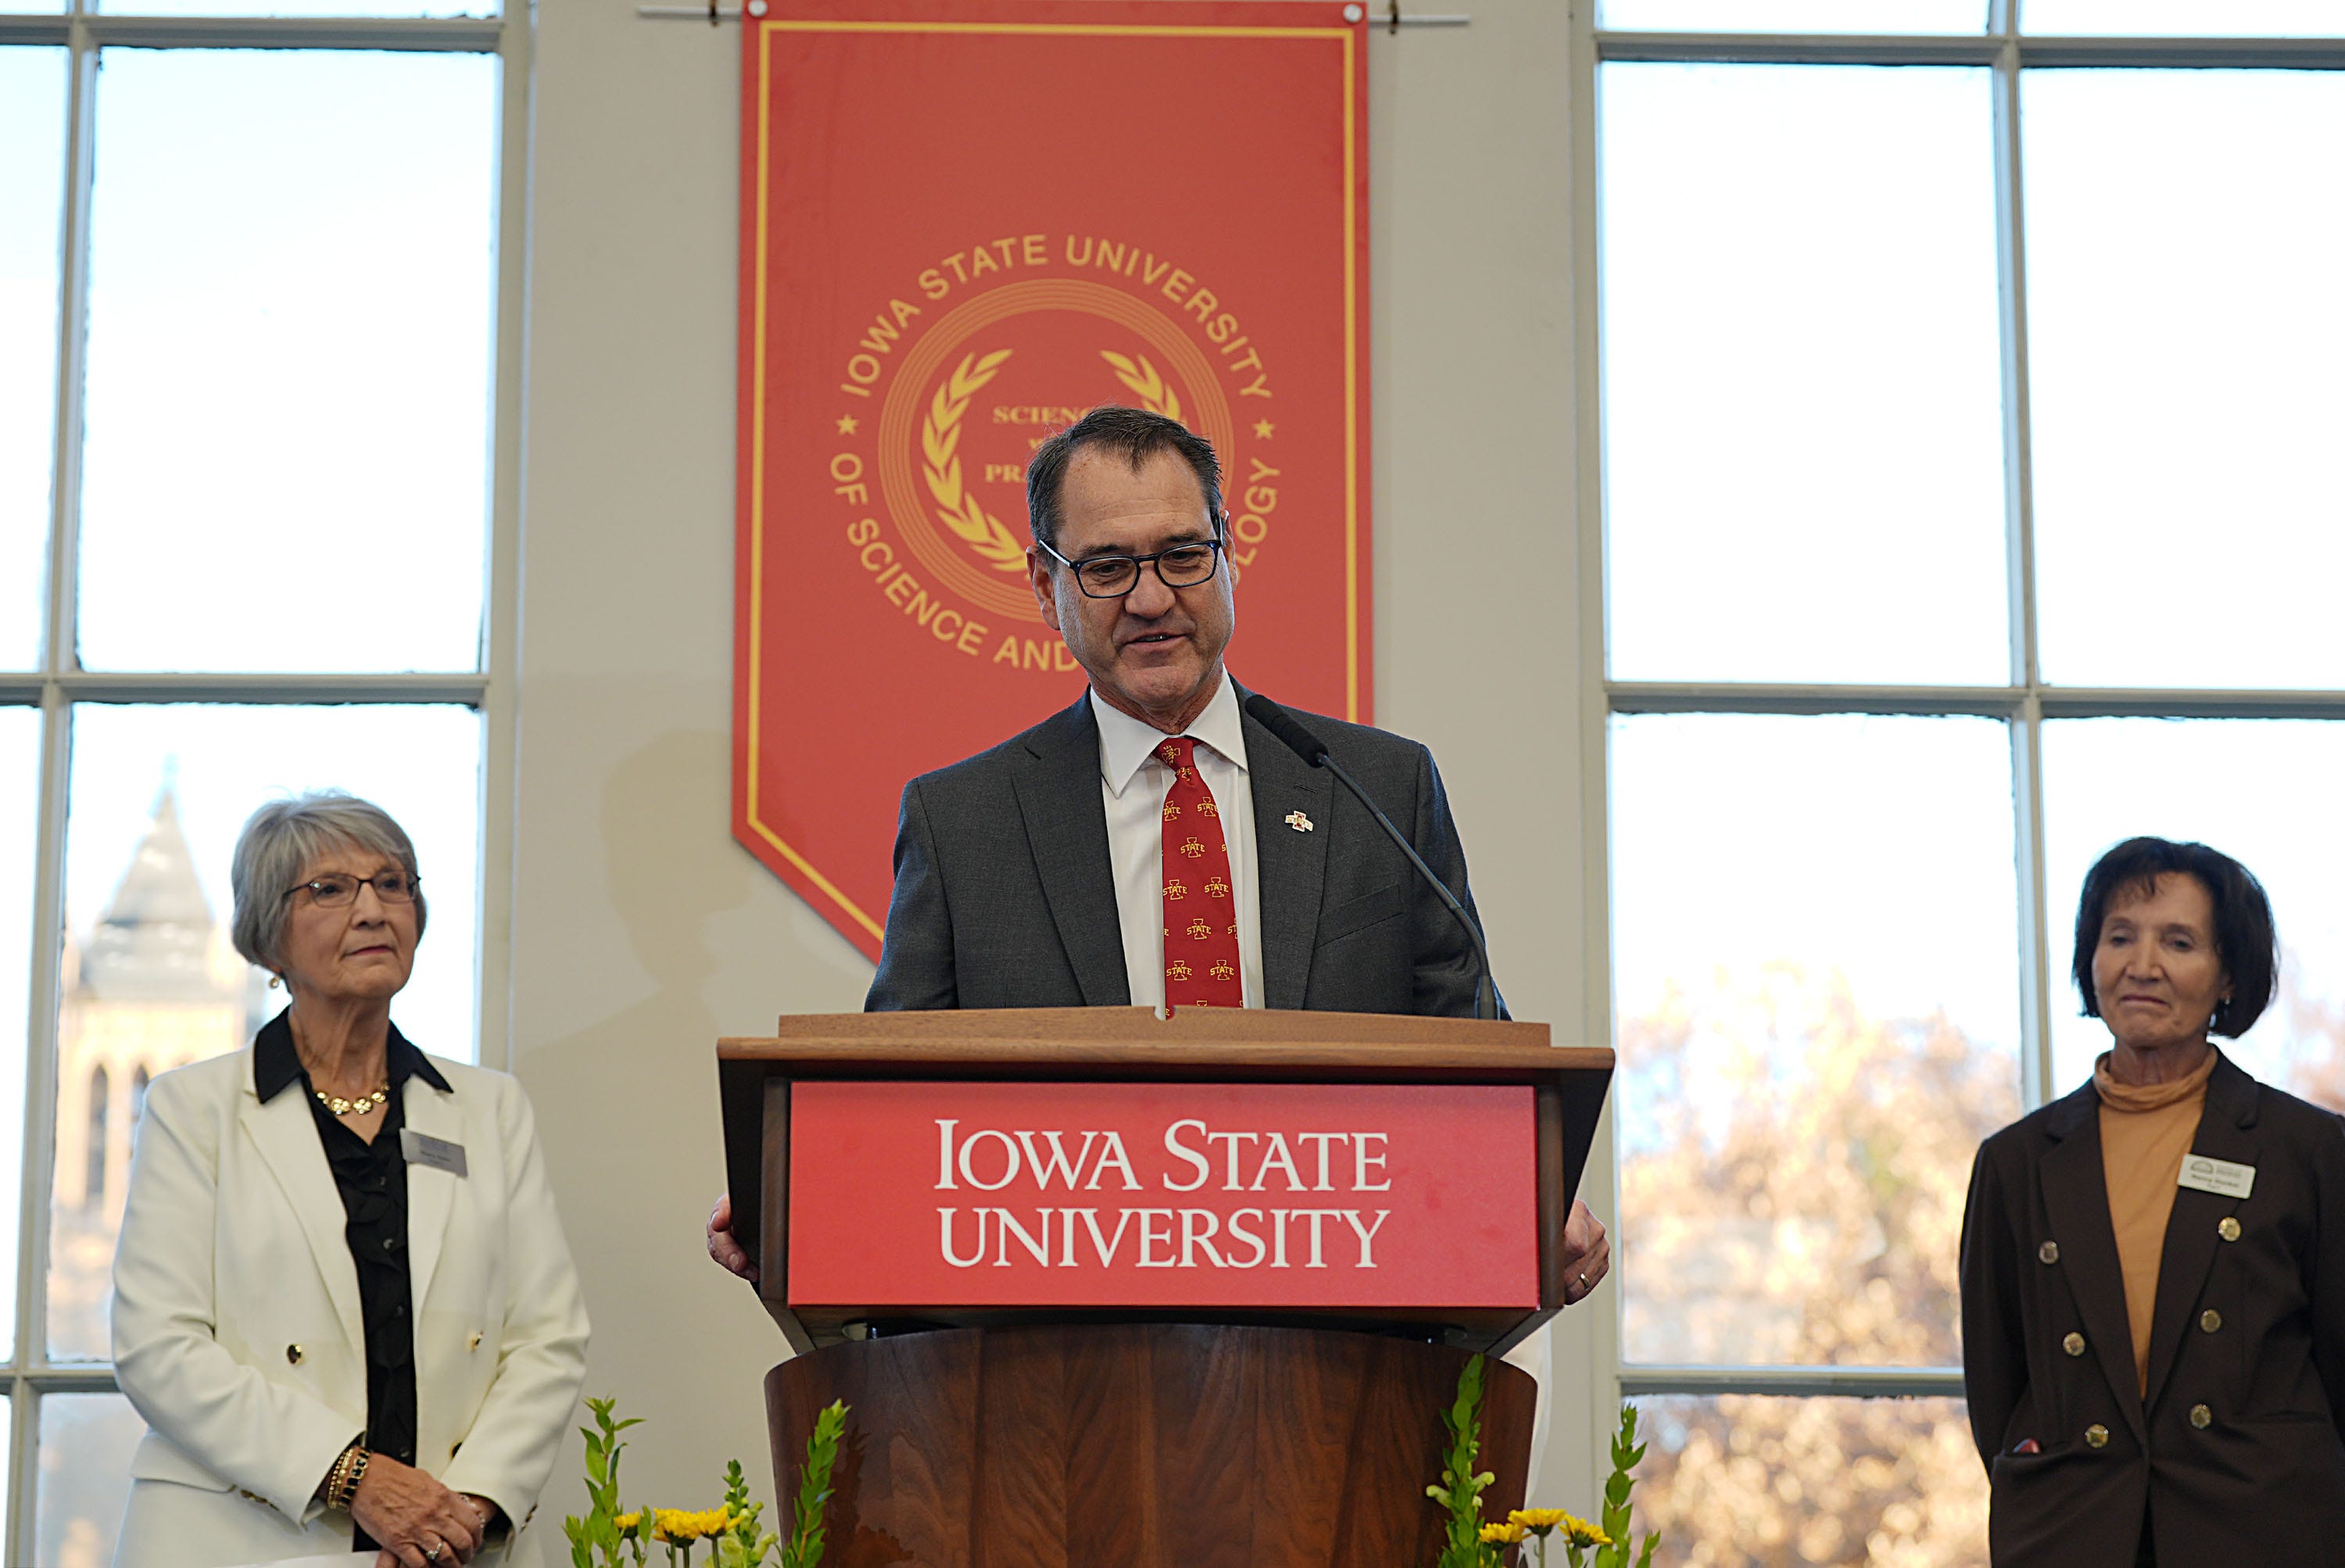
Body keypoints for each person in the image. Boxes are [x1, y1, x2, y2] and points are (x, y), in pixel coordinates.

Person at [711, 405, 1609, 1299]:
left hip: (1351, 1342)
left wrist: (1536, 1183)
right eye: (1106, 567)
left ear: (1228, 549)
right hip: (1050, 1368)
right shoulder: (964, 823)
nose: (1151, 598)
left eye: (1183, 554)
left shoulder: (1377, 786)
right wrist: (797, 1192)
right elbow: (895, 1105)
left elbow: (1470, 1055)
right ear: (1042, 583)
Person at [112, 793, 590, 1568]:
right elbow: (158, 1346)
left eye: (393, 882)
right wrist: (354, 1474)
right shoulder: (193, 1108)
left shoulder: (490, 1108)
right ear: (270, 937)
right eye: (330, 889)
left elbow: (549, 1335)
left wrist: (457, 1514)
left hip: (453, 1549)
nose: (373, 909)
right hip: (241, 1539)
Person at [1960, 836, 2345, 1566]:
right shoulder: (2014, 1163)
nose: (2143, 966)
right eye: (2119, 938)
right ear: (2091, 960)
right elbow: (1997, 1382)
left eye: (2178, 942)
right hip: (2074, 1528)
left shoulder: (2312, 1151)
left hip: (2264, 1526)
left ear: (2228, 973)